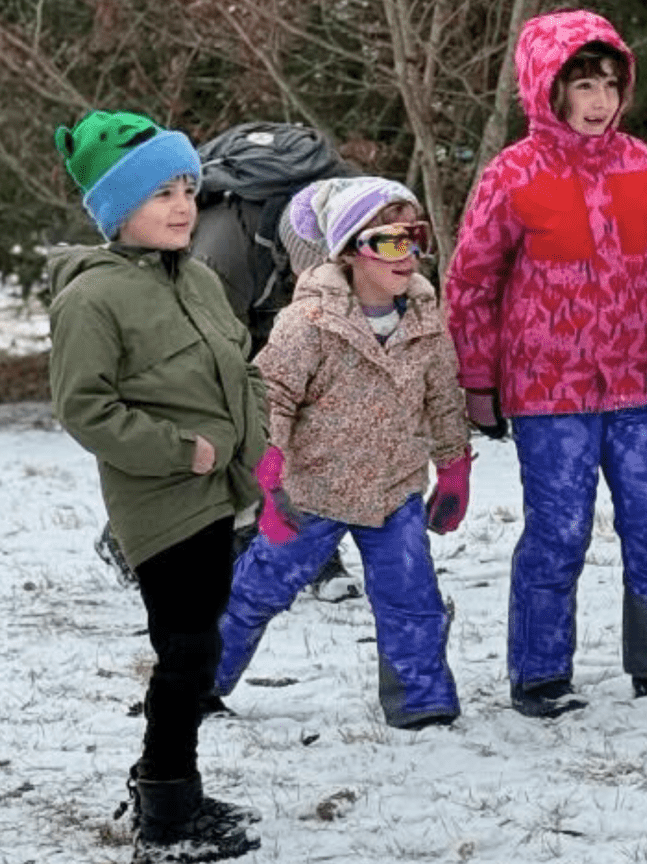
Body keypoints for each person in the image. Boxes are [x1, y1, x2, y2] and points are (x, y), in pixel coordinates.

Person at [445, 9, 647, 719]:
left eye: (608, 85)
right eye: (582, 86)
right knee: (558, 533)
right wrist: (478, 383)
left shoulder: (643, 165)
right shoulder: (514, 174)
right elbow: (472, 282)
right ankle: (540, 676)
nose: (598, 102)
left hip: (635, 382)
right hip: (547, 390)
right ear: (547, 88)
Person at [47, 110, 262, 862]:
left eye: (187, 189)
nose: (181, 206)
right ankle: (166, 813)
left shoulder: (198, 278)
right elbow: (85, 407)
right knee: (189, 654)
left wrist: (254, 444)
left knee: (195, 647)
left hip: (220, 489)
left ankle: (171, 786)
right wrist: (181, 450)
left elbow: (241, 365)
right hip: (162, 502)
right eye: (159, 193)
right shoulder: (92, 298)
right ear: (115, 209)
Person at [211, 177, 471, 731]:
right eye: (390, 241)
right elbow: (272, 395)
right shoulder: (307, 323)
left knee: (412, 597)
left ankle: (420, 701)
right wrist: (269, 472)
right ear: (353, 250)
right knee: (259, 589)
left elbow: (444, 399)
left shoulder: (426, 321)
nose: (408, 255)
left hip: (394, 490)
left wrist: (452, 466)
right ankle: (201, 680)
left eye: (415, 238)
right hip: (313, 492)